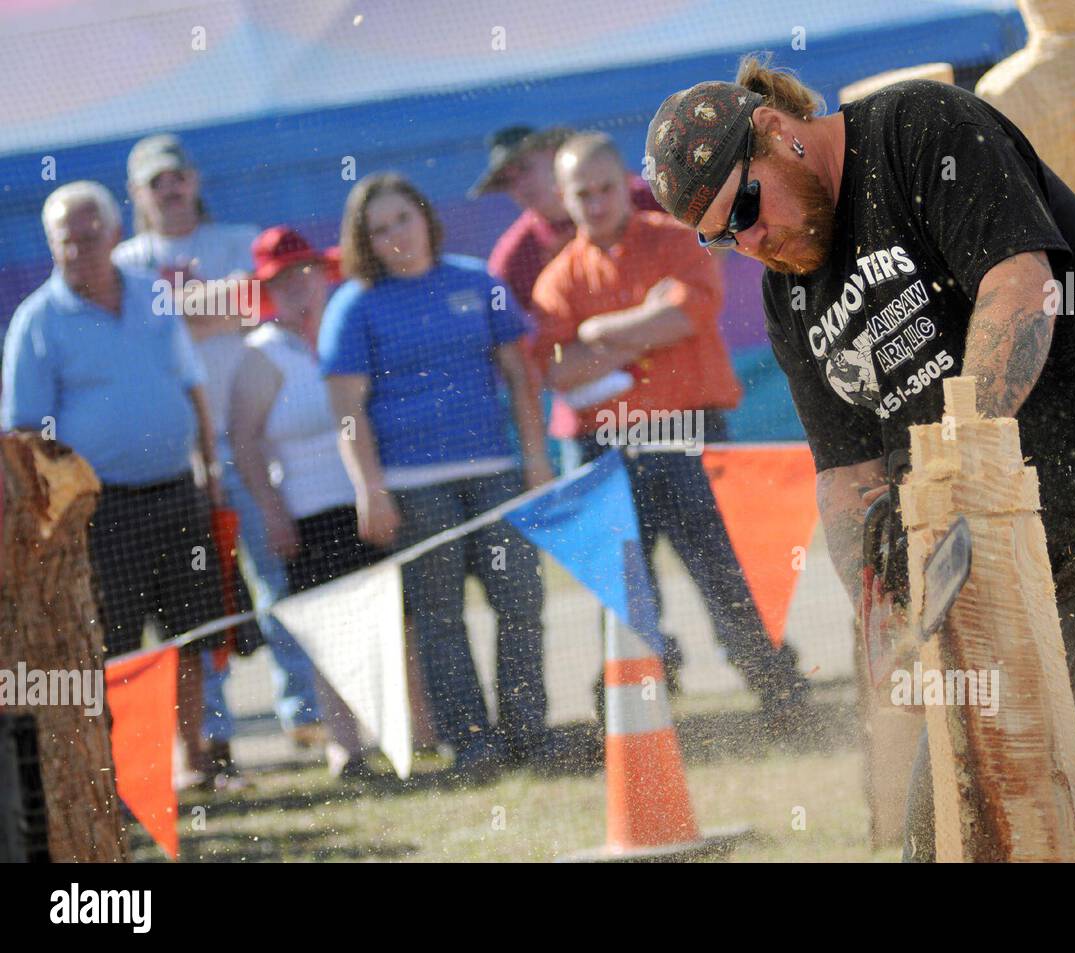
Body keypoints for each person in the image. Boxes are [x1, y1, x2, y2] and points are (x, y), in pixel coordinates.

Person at [644, 56, 1075, 861]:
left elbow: (1020, 289)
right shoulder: (793, 290)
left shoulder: (919, 131)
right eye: (720, 237)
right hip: (992, 563)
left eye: (745, 205)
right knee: (949, 843)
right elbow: (848, 478)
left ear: (779, 133)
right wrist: (890, 625)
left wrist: (951, 473)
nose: (750, 240)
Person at [530, 132, 810, 729]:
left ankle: (777, 688)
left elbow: (686, 315)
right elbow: (556, 370)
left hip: (691, 431)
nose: (597, 202)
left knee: (723, 565)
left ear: (624, 182)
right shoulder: (557, 279)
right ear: (562, 197)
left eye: (606, 188)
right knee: (623, 580)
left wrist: (595, 333)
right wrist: (633, 328)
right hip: (603, 445)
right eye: (583, 193)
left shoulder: (678, 243)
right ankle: (636, 708)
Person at [320, 172, 555, 784]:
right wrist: (369, 487)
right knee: (439, 618)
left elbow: (521, 376)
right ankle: (471, 746)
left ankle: (530, 731)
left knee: (521, 601)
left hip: (498, 475)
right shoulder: (354, 306)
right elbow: (347, 410)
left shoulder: (479, 281)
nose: (395, 235)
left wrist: (535, 458)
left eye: (403, 218)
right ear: (364, 241)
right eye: (380, 229)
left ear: (424, 215)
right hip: (413, 488)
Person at [0, 180, 227, 782]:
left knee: (189, 631)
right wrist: (53, 521)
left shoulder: (155, 296)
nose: (78, 250)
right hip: (97, 513)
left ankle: (192, 757)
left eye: (89, 235)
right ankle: (131, 771)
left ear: (115, 232)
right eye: (65, 242)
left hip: (178, 492)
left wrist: (212, 470)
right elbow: (25, 436)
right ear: (51, 246)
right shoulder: (36, 323)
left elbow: (192, 385)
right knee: (113, 641)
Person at [113, 133, 326, 756]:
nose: (171, 189)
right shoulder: (123, 261)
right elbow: (140, 336)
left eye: (178, 176)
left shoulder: (239, 239)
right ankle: (214, 737)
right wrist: (207, 304)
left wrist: (175, 306)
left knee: (279, 581)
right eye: (157, 182)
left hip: (253, 447)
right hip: (173, 461)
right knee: (193, 605)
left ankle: (304, 717)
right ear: (137, 193)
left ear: (196, 179)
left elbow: (257, 300)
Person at [472, 125, 665, 468]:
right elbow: (526, 362)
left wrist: (666, 319)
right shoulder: (513, 259)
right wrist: (536, 458)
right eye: (509, 179)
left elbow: (702, 273)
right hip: (589, 421)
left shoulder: (644, 200)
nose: (521, 185)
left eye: (525, 168)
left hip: (677, 405)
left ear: (558, 154)